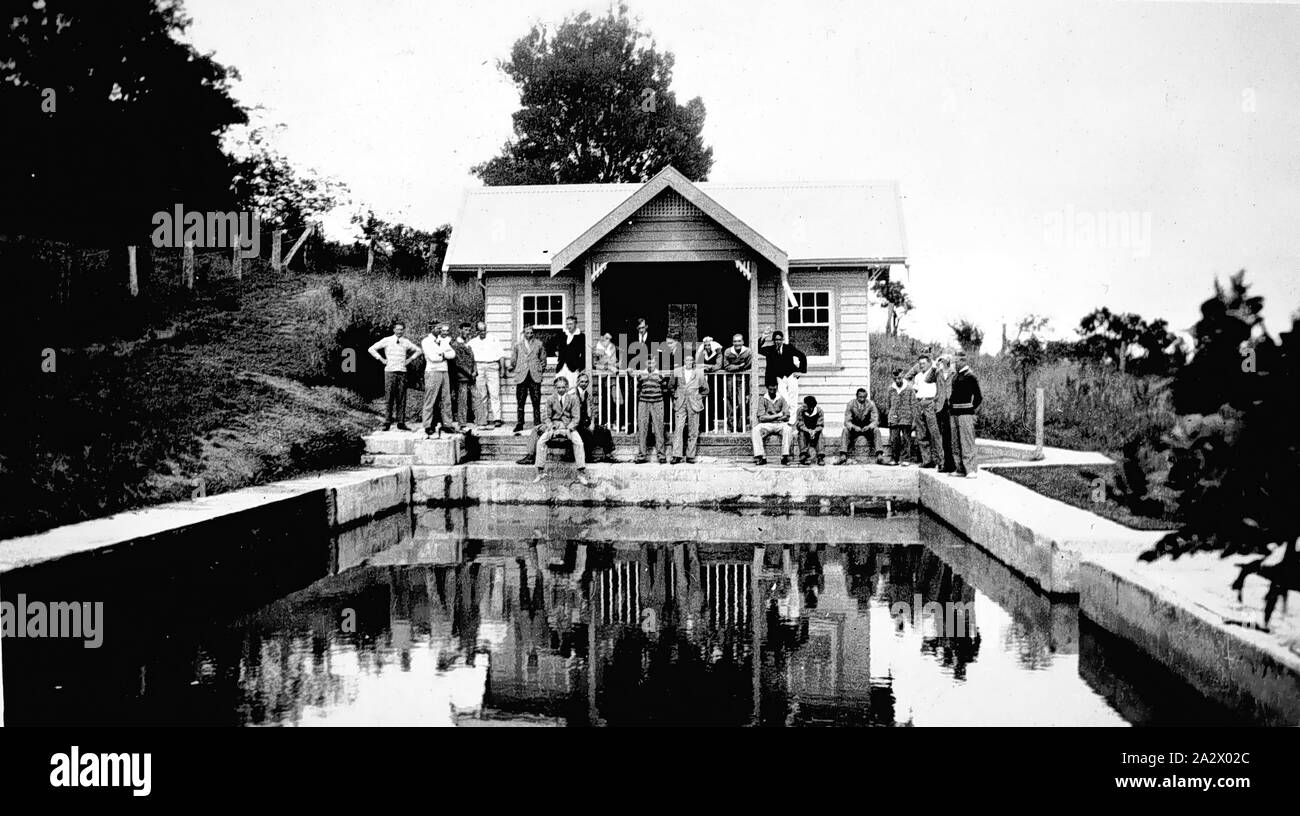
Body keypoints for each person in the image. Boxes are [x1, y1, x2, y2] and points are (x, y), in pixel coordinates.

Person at [529, 375, 591, 486]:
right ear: (555, 388)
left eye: (563, 387)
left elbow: (576, 417)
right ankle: (540, 472)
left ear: (567, 387)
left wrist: (570, 428)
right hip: (555, 426)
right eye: (558, 388)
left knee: (579, 443)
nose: (561, 390)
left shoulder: (573, 399)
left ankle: (581, 473)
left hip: (568, 426)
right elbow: (546, 417)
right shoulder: (550, 399)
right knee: (541, 442)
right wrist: (551, 427)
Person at [367, 322, 422, 430]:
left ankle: (401, 422)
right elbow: (371, 349)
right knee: (389, 397)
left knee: (401, 397)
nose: (399, 331)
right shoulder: (387, 340)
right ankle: (387, 422)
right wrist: (381, 359)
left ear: (403, 330)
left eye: (401, 329)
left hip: (402, 371)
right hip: (390, 371)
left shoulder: (406, 342)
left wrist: (410, 360)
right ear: (393, 330)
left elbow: (419, 350)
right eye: (397, 329)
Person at [758, 328, 807, 427]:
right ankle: (786, 416)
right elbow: (757, 349)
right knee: (784, 397)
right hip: (779, 377)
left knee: (793, 395)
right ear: (773, 340)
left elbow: (802, 356)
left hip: (790, 375)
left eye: (780, 339)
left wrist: (801, 371)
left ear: (782, 340)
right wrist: (763, 336)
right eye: (776, 340)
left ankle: (793, 418)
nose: (778, 341)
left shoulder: (789, 347)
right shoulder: (770, 349)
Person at [904, 353, 944, 469]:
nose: (921, 366)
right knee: (921, 434)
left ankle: (941, 461)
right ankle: (927, 460)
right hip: (919, 403)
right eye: (920, 364)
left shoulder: (935, 373)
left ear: (929, 362)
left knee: (934, 434)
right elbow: (915, 390)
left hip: (930, 403)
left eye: (923, 363)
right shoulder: (918, 376)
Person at [948, 351, 983, 477]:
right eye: (954, 361)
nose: (954, 364)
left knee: (967, 442)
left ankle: (971, 470)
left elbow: (978, 397)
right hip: (954, 413)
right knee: (956, 443)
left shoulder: (970, 376)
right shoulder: (956, 377)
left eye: (956, 361)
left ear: (963, 361)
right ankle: (960, 469)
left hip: (965, 414)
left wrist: (970, 409)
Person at [467, 320, 507, 429]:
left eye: (484, 330)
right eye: (480, 330)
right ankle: (482, 418)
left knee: (494, 393)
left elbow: (501, 355)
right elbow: (468, 359)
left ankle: (497, 418)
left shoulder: (494, 339)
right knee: (481, 395)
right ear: (476, 331)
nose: (482, 332)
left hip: (492, 366)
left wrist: (503, 369)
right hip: (479, 367)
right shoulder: (472, 343)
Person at [420, 322, 457, 436]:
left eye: (441, 328)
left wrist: (442, 355)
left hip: (444, 371)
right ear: (431, 328)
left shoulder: (443, 341)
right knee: (431, 399)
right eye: (438, 328)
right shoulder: (426, 341)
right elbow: (432, 358)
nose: (440, 330)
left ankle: (447, 424)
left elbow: (453, 354)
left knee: (446, 398)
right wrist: (444, 355)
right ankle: (428, 425)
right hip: (432, 371)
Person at [671, 355, 709, 464]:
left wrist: (699, 397)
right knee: (678, 428)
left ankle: (690, 455)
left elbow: (705, 389)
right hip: (680, 402)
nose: (689, 362)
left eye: (691, 360)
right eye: (687, 360)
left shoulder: (699, 373)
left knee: (693, 429)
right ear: (684, 361)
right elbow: (671, 386)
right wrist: (676, 395)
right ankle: (676, 455)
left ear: (693, 362)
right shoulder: (677, 371)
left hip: (693, 402)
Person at [509, 324, 546, 432]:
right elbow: (513, 360)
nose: (529, 335)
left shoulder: (539, 344)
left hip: (534, 376)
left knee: (536, 400)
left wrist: (539, 370)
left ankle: (537, 423)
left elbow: (543, 359)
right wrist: (517, 368)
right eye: (527, 333)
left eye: (531, 333)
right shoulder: (518, 345)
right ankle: (520, 423)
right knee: (520, 401)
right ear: (523, 333)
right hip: (522, 376)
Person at [573, 372, 617, 463]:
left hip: (586, 422)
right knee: (585, 432)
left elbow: (592, 411)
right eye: (581, 382)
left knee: (604, 430)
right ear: (577, 382)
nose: (584, 384)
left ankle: (608, 455)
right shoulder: (572, 395)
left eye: (586, 382)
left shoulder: (588, 396)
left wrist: (592, 423)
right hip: (575, 424)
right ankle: (587, 457)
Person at [633, 357, 669, 464]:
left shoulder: (660, 375)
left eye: (652, 362)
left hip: (657, 402)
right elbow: (638, 388)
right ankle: (641, 455)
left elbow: (665, 390)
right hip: (644, 402)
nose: (650, 365)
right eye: (648, 362)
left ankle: (661, 455)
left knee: (659, 428)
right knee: (643, 428)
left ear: (655, 363)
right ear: (645, 363)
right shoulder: (641, 375)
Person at [834, 388, 880, 465]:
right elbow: (847, 421)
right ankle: (843, 455)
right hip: (854, 430)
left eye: (864, 397)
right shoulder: (851, 404)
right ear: (856, 396)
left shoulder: (871, 404)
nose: (862, 399)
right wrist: (854, 427)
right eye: (860, 397)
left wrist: (869, 426)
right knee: (845, 430)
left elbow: (875, 420)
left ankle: (879, 455)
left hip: (867, 430)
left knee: (877, 430)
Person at [751, 382, 792, 466]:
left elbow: (787, 416)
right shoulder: (762, 399)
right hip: (767, 424)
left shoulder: (781, 398)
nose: (772, 391)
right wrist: (778, 415)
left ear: (777, 388)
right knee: (755, 430)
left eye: (774, 389)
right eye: (770, 389)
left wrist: (773, 417)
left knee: (788, 429)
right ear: (767, 388)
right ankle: (761, 456)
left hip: (779, 423)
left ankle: (785, 456)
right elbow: (761, 417)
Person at [592, 330, 624, 431]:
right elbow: (595, 364)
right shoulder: (596, 349)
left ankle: (617, 422)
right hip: (601, 379)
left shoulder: (615, 348)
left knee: (618, 400)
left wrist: (616, 364)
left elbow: (620, 364)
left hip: (613, 378)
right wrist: (609, 366)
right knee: (603, 401)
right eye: (606, 338)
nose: (607, 341)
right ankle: (606, 423)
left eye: (609, 339)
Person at [722, 333, 753, 431]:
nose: (737, 343)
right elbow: (726, 366)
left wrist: (735, 367)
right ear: (732, 342)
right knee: (729, 401)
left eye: (739, 341)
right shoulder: (728, 351)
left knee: (741, 402)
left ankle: (740, 426)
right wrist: (739, 367)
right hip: (730, 378)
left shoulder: (747, 351)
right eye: (735, 341)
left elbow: (748, 365)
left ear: (743, 342)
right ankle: (731, 426)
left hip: (742, 379)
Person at [885, 368, 916, 466]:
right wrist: (890, 415)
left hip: (906, 417)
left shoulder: (909, 389)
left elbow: (914, 405)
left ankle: (906, 459)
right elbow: (888, 404)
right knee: (894, 438)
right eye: (895, 379)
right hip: (894, 417)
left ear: (902, 376)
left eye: (899, 378)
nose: (898, 381)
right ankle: (895, 458)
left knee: (906, 439)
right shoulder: (891, 389)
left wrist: (914, 419)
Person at [931, 354, 957, 472]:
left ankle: (954, 464)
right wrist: (934, 366)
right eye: (942, 359)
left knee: (952, 436)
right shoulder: (938, 372)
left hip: (951, 406)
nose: (944, 361)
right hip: (941, 407)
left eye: (946, 359)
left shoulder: (954, 372)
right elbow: (927, 379)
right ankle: (946, 464)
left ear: (949, 361)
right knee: (944, 437)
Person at [450, 322, 477, 431]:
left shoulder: (468, 344)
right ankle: (462, 422)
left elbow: (472, 359)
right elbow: (459, 363)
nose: (467, 332)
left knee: (473, 399)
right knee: (462, 400)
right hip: (462, 376)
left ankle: (474, 419)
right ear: (460, 330)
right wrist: (470, 374)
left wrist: (475, 371)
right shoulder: (456, 344)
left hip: (471, 376)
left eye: (469, 330)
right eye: (465, 330)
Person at [795, 395, 825, 465]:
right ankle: (803, 455)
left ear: (811, 408)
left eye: (805, 406)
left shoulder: (819, 411)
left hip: (815, 431)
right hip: (805, 431)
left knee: (820, 434)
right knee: (801, 433)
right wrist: (808, 430)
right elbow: (800, 424)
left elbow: (820, 425)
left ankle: (820, 457)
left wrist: (814, 431)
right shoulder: (800, 411)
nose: (803, 407)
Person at [555, 315, 585, 384]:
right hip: (561, 366)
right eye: (567, 324)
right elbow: (555, 346)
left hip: (573, 368)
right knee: (560, 386)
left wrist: (579, 367)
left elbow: (584, 354)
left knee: (572, 388)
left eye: (571, 324)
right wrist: (557, 351)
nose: (569, 326)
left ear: (575, 324)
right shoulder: (563, 335)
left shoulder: (581, 337)